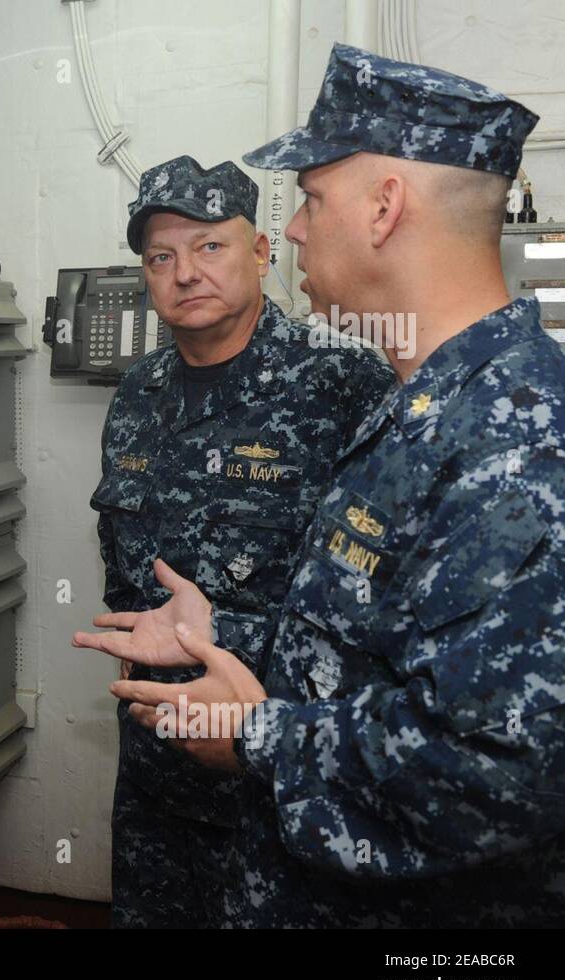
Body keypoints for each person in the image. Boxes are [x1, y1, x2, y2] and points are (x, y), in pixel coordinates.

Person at [76, 42, 565, 927]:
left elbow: (495, 773)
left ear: (384, 207)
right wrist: (221, 628)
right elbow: (377, 658)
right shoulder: (428, 408)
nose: (296, 230)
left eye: (309, 198)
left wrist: (256, 741)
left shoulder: (518, 441)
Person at [94, 155, 393, 927]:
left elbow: (379, 609)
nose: (185, 272)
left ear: (262, 253)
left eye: (210, 247)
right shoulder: (138, 394)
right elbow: (125, 577)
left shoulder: (343, 382)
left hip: (280, 783)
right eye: (161, 256)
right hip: (157, 777)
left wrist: (223, 638)